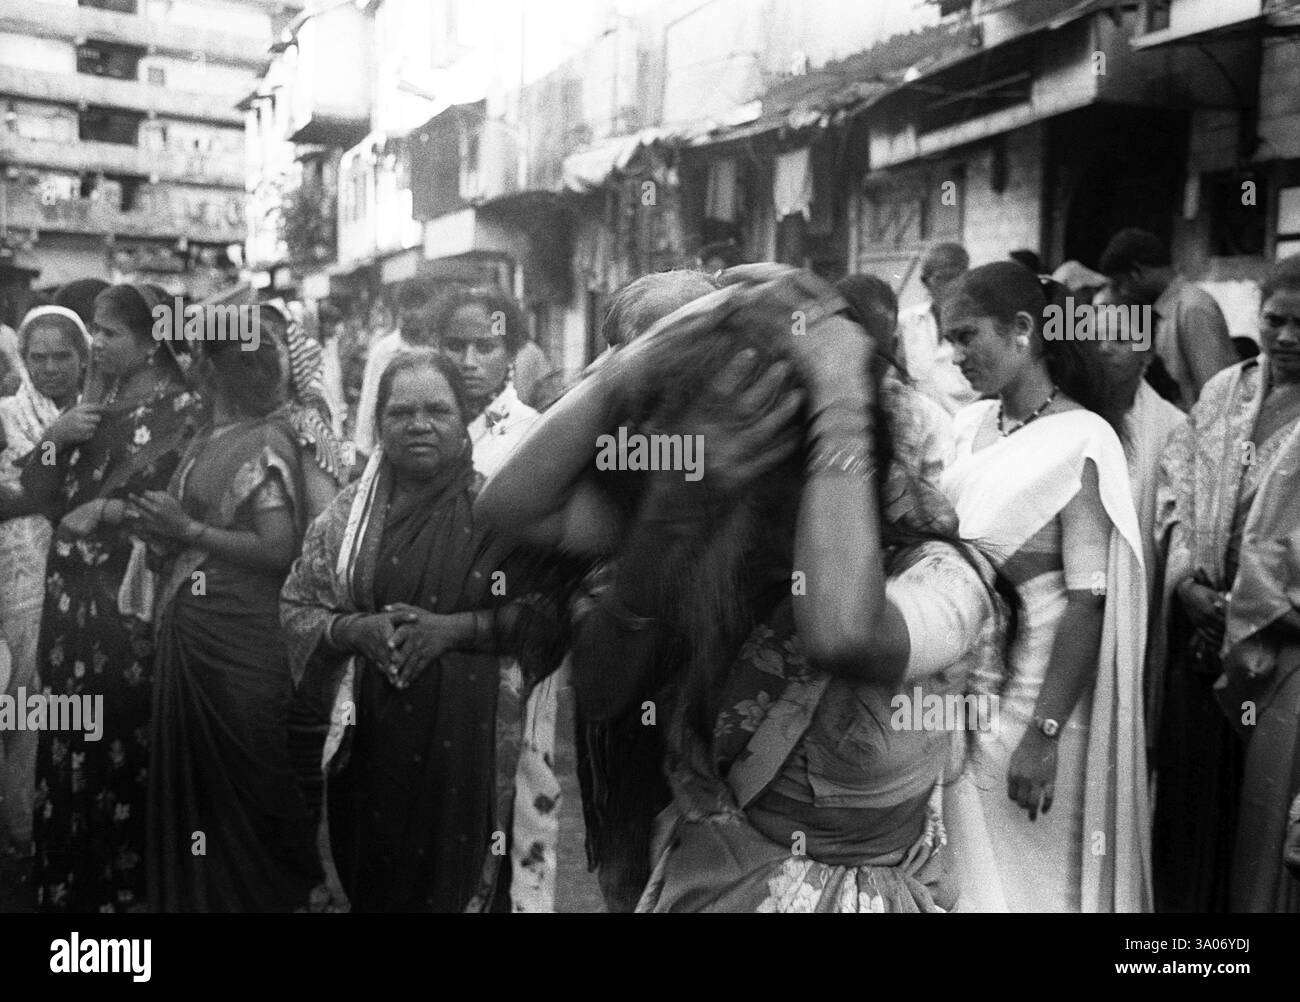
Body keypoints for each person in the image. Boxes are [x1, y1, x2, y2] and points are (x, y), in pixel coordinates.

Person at [478, 266, 1005, 912]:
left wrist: (839, 393)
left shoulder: (942, 578)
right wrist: (689, 329)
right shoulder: (700, 534)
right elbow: (510, 503)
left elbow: (842, 630)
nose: (717, 452)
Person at [280, 350, 572, 911]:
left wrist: (454, 629)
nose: (418, 424)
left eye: (437, 410)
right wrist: (353, 630)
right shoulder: (347, 519)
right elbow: (296, 606)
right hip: (371, 746)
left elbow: (551, 618)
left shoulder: (503, 510)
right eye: (400, 412)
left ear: (464, 417)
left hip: (473, 746)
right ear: (378, 422)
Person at [937, 262, 1150, 912]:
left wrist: (1044, 736)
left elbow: (1089, 602)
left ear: (1023, 329)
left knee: (1035, 892)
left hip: (1037, 708)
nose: (955, 355)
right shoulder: (965, 428)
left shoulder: (1083, 440)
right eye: (949, 340)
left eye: (968, 336)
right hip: (961, 703)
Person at [22, 285, 202, 912]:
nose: (94, 344)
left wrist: (111, 506)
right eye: (94, 330)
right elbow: (41, 491)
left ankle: (122, 903)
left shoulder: (185, 412)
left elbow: (185, 511)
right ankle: (69, 890)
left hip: (125, 607)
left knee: (120, 740)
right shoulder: (92, 406)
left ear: (153, 339)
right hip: (68, 602)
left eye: (109, 333)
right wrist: (57, 433)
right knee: (68, 734)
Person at [135, 306, 321, 912]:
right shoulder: (209, 435)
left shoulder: (264, 440)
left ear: (214, 368)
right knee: (200, 788)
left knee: (251, 776)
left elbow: (278, 547)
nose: (187, 365)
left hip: (240, 639)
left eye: (196, 355)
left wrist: (186, 529)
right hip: (193, 628)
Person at [1153, 254, 1300, 913]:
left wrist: (1239, 608)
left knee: (1259, 824)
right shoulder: (1224, 393)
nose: (1288, 337)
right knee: (1187, 813)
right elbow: (1173, 491)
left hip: (1277, 660)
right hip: (1200, 641)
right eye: (1276, 320)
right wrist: (1186, 581)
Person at [568, 269, 718, 912]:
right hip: (633, 719)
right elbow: (509, 510)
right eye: (657, 347)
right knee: (632, 882)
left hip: (743, 733)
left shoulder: (776, 452)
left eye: (701, 339)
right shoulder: (602, 456)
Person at [0, 307, 91, 883]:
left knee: (83, 704)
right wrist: (52, 447)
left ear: (83, 357)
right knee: (25, 703)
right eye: (39, 356)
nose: (51, 367)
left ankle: (75, 817)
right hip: (21, 577)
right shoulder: (7, 415)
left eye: (63, 356)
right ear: (23, 361)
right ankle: (23, 826)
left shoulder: (101, 416)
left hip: (86, 583)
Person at [1099, 228, 1237, 409]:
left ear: (1136, 273)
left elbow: (1217, 391)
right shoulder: (1166, 309)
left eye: (1120, 284)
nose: (1122, 292)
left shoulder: (1192, 307)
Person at [352, 282, 443, 460]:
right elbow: (369, 402)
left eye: (419, 306)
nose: (412, 314)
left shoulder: (441, 348)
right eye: (406, 307)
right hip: (392, 447)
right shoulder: (384, 351)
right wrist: (363, 451)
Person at [896, 242, 978, 416]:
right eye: (944, 278)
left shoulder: (978, 324)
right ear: (925, 282)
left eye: (959, 276)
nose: (954, 285)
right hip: (924, 432)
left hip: (967, 431)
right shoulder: (907, 322)